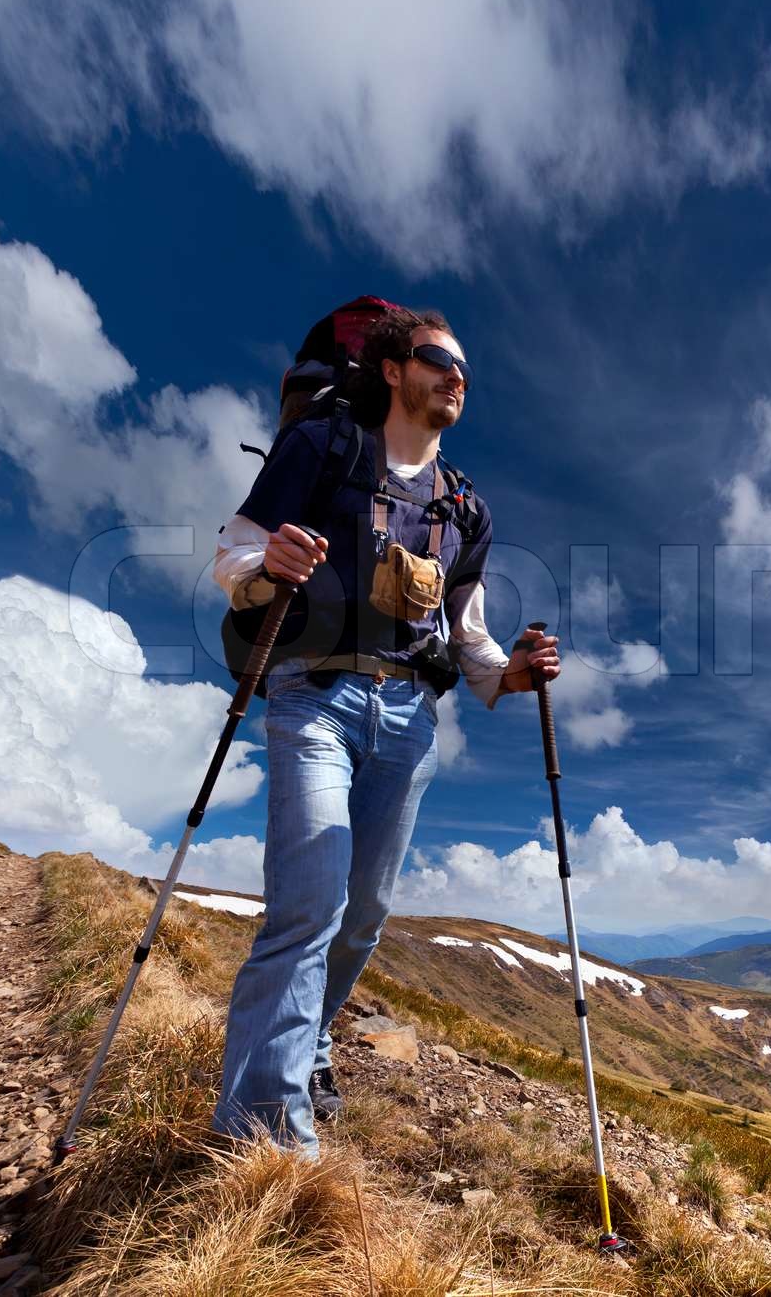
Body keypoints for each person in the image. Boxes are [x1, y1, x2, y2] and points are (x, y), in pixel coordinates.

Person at [208, 303, 558, 1156]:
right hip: (312, 697)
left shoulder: (465, 510)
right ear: (394, 369)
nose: (456, 378)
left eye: (465, 370)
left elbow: (466, 634)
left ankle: (308, 1043)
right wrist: (268, 564)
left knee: (362, 915)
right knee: (309, 906)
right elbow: (234, 555)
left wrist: (511, 672)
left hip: (409, 719)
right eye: (439, 360)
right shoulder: (322, 449)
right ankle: (265, 1148)